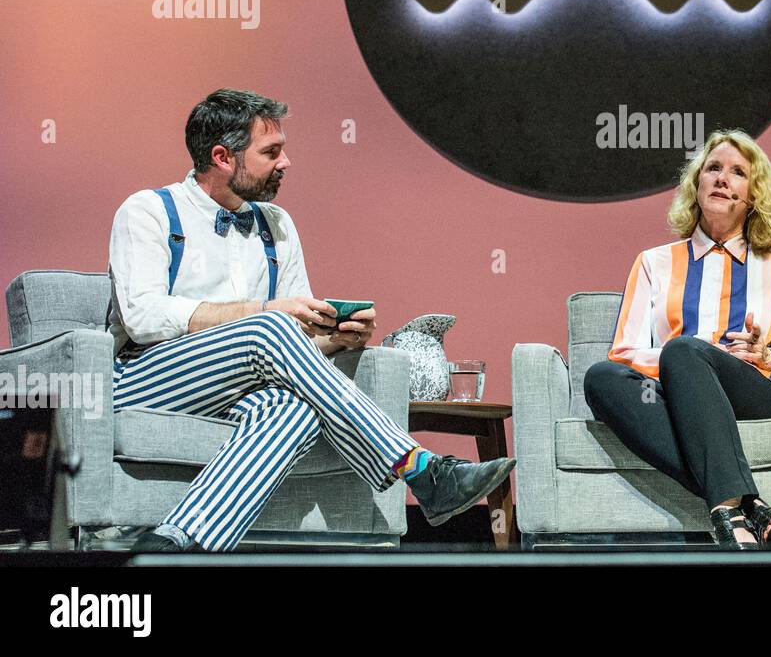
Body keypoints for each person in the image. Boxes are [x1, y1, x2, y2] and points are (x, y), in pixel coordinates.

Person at [109, 88, 514, 552]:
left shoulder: (276, 225)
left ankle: (177, 544)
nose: (286, 162)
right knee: (270, 327)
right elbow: (141, 317)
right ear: (222, 156)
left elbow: (289, 341)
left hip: (241, 386)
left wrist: (337, 339)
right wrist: (261, 314)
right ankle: (419, 469)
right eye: (271, 152)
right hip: (147, 379)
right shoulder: (147, 211)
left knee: (295, 411)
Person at [583, 130, 771, 549]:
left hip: (756, 392)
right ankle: (750, 510)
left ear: (754, 196)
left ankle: (734, 510)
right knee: (601, 378)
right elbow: (624, 353)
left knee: (686, 348)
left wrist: (766, 356)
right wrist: (687, 366)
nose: (722, 178)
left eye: (738, 172)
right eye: (713, 168)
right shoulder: (654, 263)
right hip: (677, 392)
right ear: (696, 185)